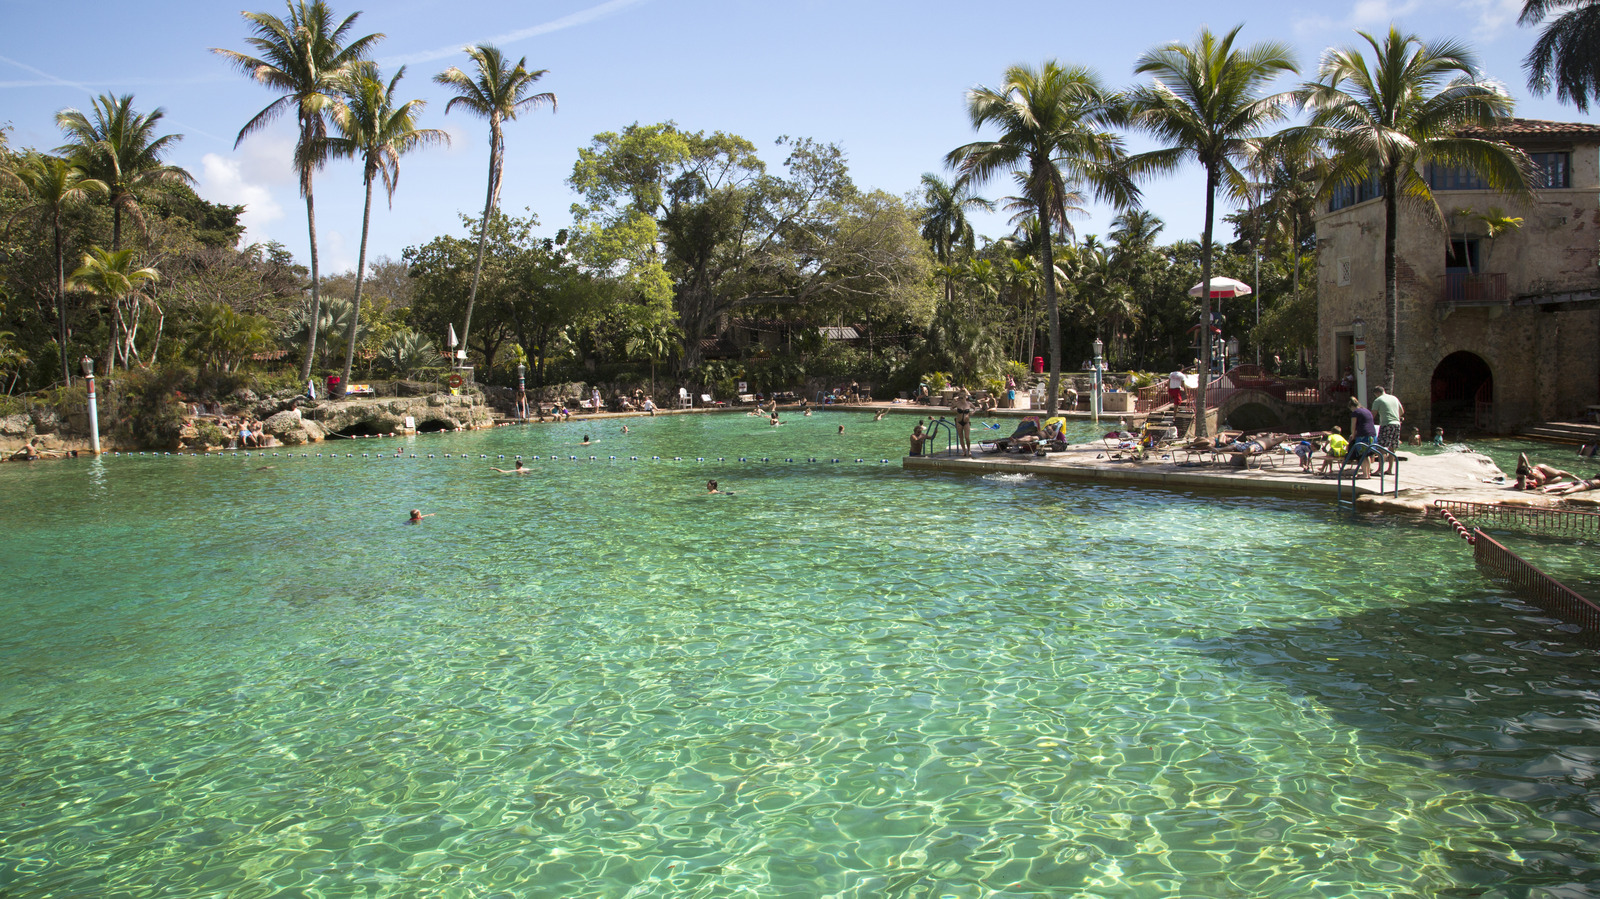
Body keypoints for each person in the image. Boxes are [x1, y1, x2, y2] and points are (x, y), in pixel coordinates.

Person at [1370, 385, 1404, 475]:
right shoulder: (1394, 398)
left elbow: (1372, 415)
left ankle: (1380, 470)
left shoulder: (1378, 400)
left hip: (1386, 425)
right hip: (1397, 424)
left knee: (1382, 448)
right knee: (1392, 448)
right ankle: (1390, 469)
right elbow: (1401, 411)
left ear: (1376, 393)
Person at [1514, 453, 1579, 490]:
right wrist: (1523, 479)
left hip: (1541, 470)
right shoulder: (1522, 479)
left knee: (1558, 473)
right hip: (1543, 481)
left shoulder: (1521, 469)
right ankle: (1575, 480)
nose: (1518, 476)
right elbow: (1522, 488)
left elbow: (1521, 454)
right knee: (1559, 478)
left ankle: (1575, 477)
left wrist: (1527, 464)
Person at [1349, 397, 1377, 478]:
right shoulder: (1366, 410)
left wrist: (1352, 436)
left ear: (1351, 406)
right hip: (1372, 435)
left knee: (1362, 455)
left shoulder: (1355, 412)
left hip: (1363, 436)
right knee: (1367, 454)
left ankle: (1365, 475)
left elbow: (1353, 426)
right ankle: (1368, 474)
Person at [950, 389, 975, 457]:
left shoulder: (969, 404)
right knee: (961, 437)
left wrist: (972, 412)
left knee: (967, 437)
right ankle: (964, 450)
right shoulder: (958, 404)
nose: (960, 399)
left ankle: (969, 450)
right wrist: (955, 411)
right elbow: (951, 408)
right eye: (959, 397)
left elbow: (975, 408)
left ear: (965, 397)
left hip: (966, 422)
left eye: (962, 397)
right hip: (959, 422)